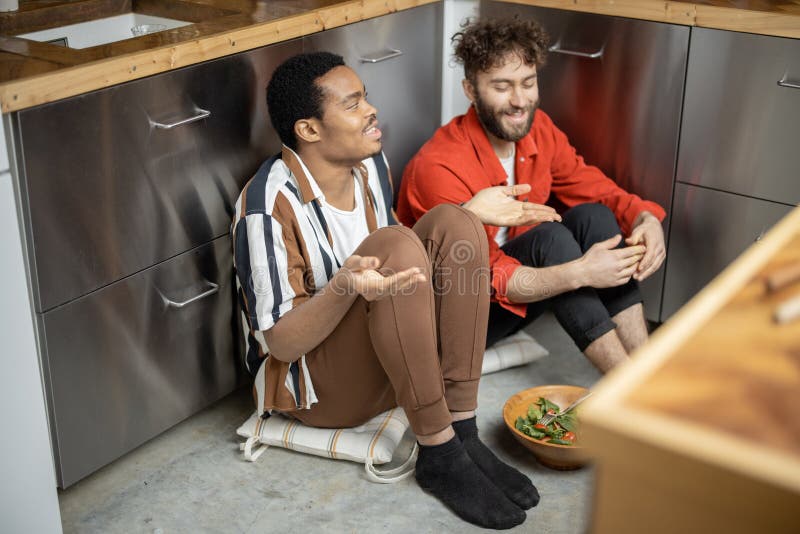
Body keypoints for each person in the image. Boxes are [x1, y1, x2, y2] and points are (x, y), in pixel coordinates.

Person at [231, 52, 539, 529]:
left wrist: (469, 213)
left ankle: (461, 429)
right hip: (321, 393)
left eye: (366, 98)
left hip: (391, 371)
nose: (371, 111)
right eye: (353, 105)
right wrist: (345, 285)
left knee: (457, 222)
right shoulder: (267, 205)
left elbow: (407, 268)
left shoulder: (370, 166)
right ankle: (439, 454)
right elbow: (281, 343)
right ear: (309, 130)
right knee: (396, 243)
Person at [397, 18, 667, 373]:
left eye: (528, 82)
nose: (519, 101)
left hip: (521, 293)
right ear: (470, 90)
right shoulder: (438, 166)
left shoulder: (537, 130)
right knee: (551, 240)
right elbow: (486, 276)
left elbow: (589, 184)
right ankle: (628, 391)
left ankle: (647, 372)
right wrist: (580, 273)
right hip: (458, 315)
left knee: (594, 217)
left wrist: (644, 218)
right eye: (502, 86)